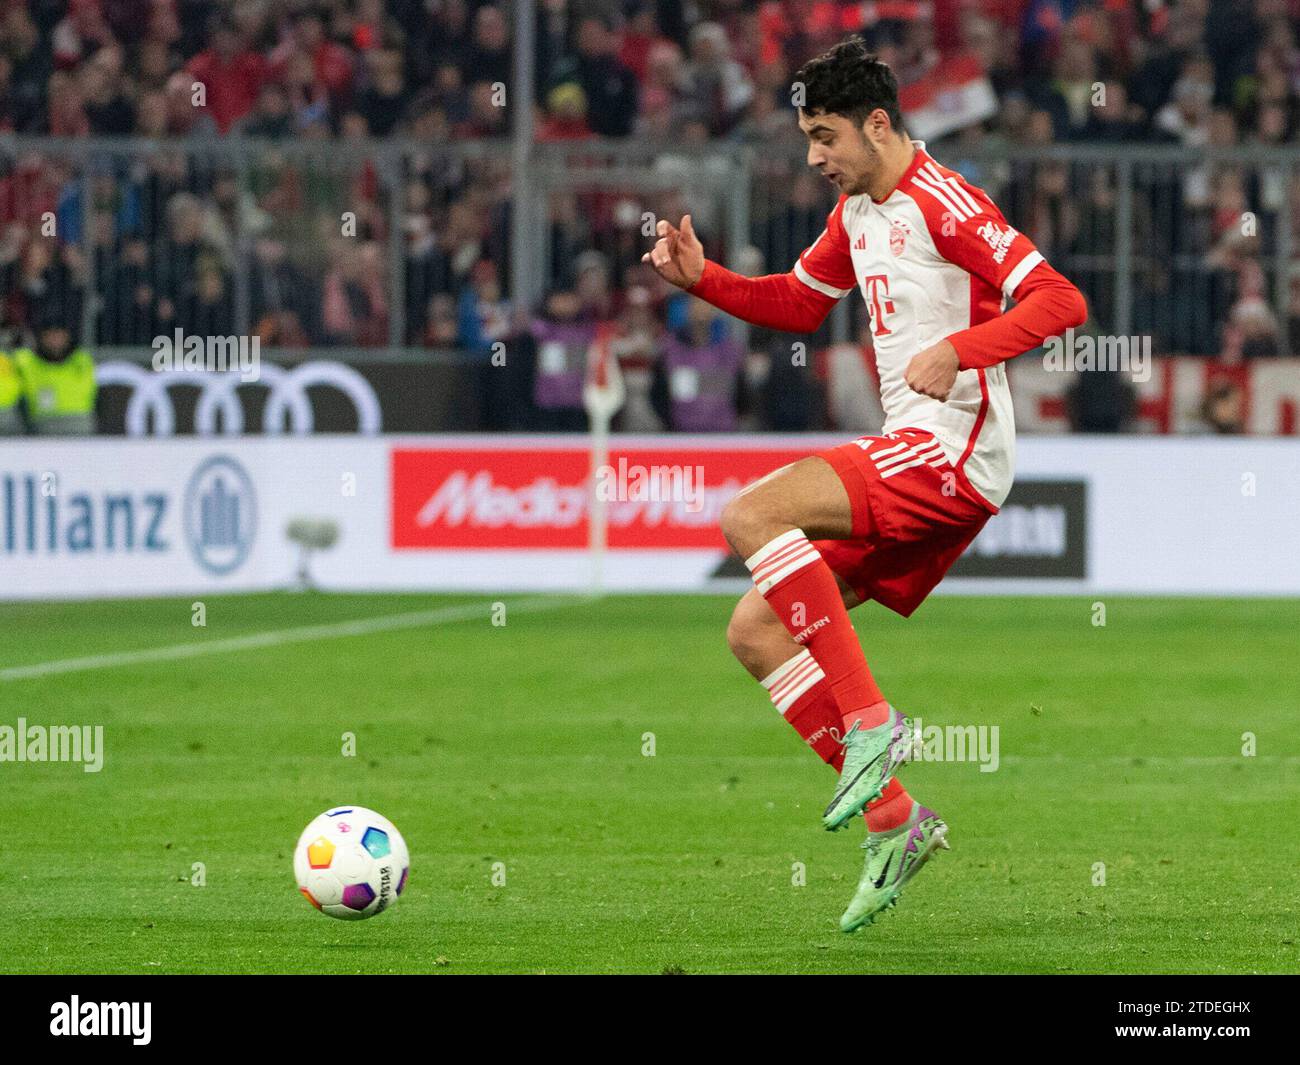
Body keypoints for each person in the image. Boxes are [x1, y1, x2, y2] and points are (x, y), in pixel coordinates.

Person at [641, 37, 1088, 933]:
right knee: (758, 628)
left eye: (825, 135)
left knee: (752, 513)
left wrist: (959, 347)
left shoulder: (941, 199)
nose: (814, 155)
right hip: (916, 451)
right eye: (809, 136)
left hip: (952, 453)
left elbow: (1060, 300)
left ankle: (871, 720)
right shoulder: (856, 215)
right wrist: (705, 281)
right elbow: (799, 304)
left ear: (878, 124)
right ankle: (895, 819)